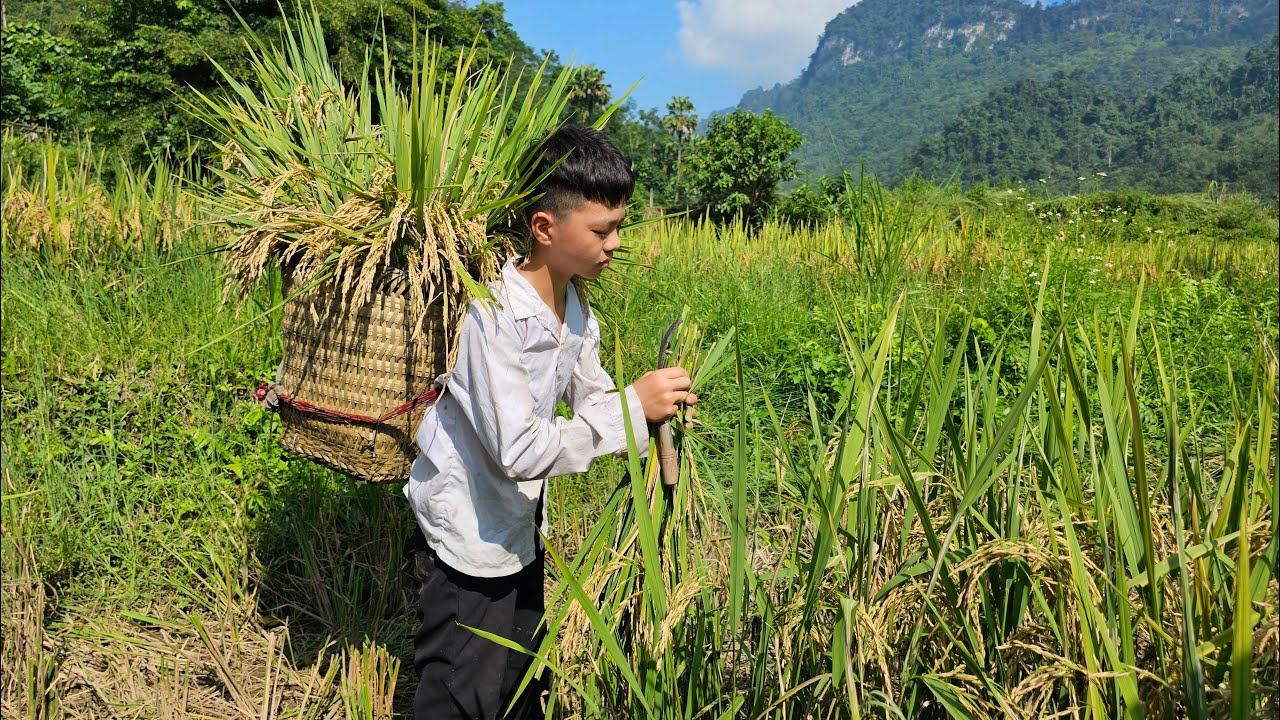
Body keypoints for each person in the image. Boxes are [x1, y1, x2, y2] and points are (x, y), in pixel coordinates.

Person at [403, 123, 698, 720]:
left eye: (618, 227)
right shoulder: (489, 314)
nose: (615, 243)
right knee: (460, 691)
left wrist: (651, 411)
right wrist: (632, 410)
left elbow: (597, 401)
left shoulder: (575, 308)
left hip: (516, 527)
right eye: (602, 229)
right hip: (467, 535)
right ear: (545, 227)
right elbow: (519, 450)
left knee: (518, 681)